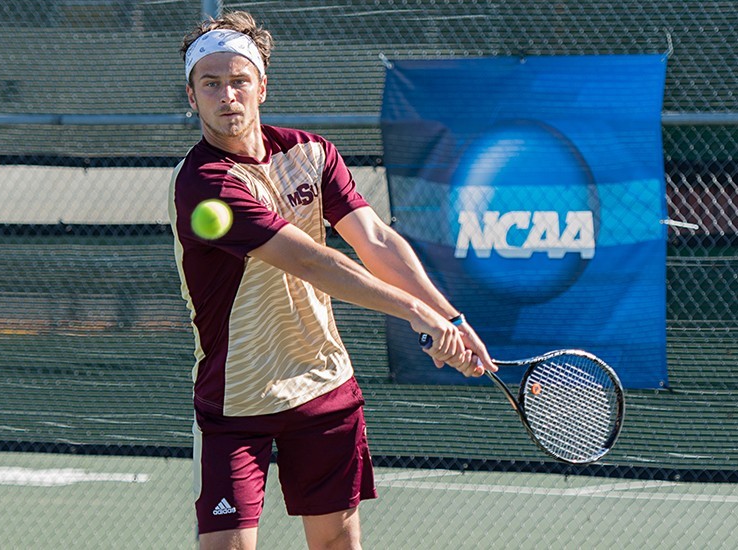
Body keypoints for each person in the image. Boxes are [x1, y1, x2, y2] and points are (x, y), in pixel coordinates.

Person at [169, 11, 496, 550]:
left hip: (323, 385)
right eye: (211, 83)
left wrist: (450, 317)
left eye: (239, 80)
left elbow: (377, 242)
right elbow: (315, 263)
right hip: (237, 398)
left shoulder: (311, 154)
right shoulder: (203, 183)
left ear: (262, 86)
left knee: (336, 546)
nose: (227, 95)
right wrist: (418, 315)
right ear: (191, 94)